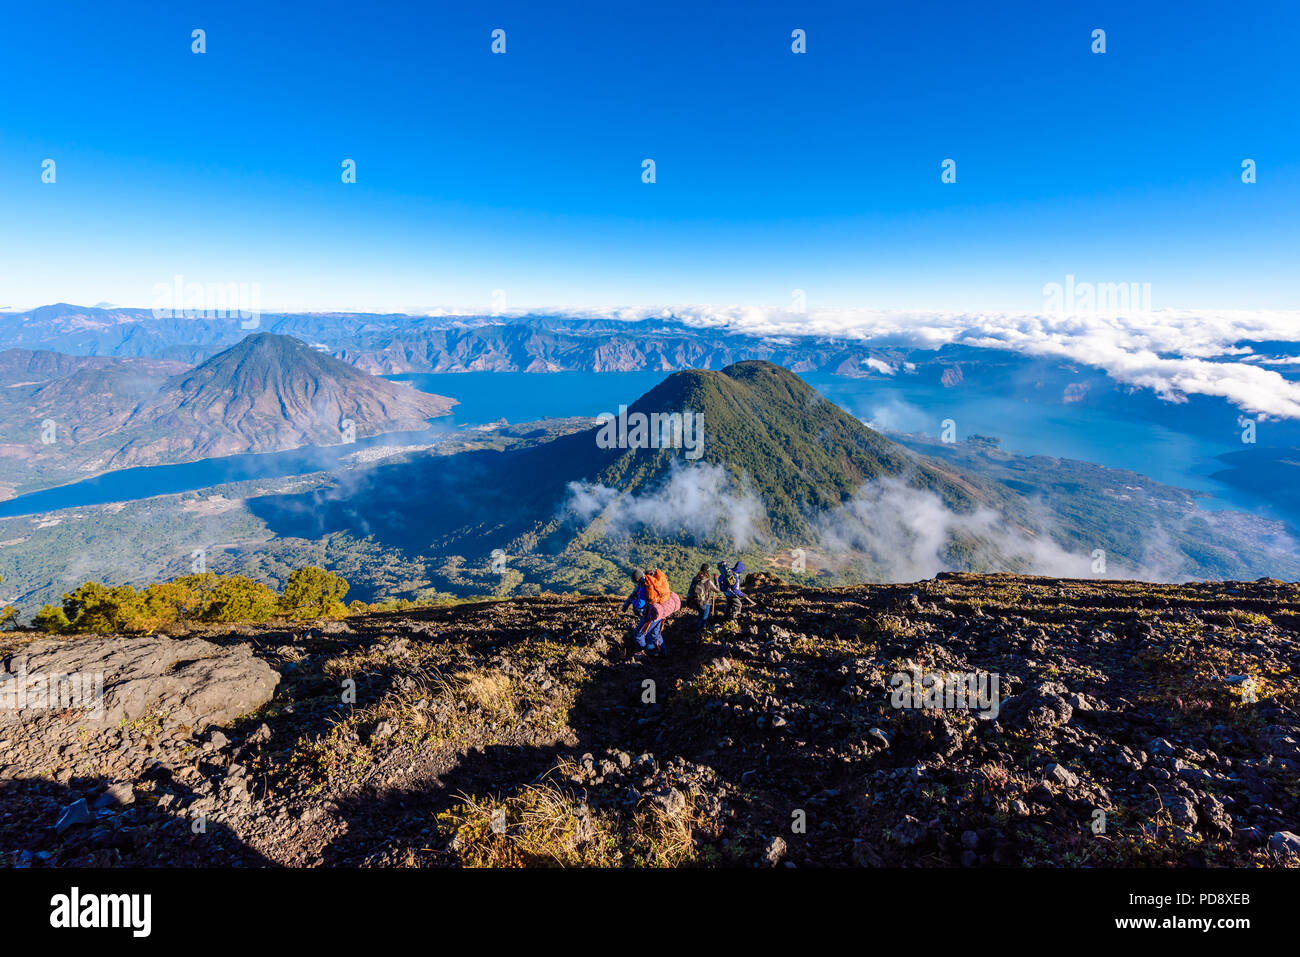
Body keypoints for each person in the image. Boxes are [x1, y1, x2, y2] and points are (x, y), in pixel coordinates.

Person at [687, 563, 722, 631]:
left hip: (697, 601)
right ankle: (701, 631)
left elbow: (690, 590)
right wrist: (716, 580)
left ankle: (699, 629)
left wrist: (688, 600)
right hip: (706, 602)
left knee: (700, 616)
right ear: (707, 571)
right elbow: (717, 590)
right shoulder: (708, 581)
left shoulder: (695, 579)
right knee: (704, 618)